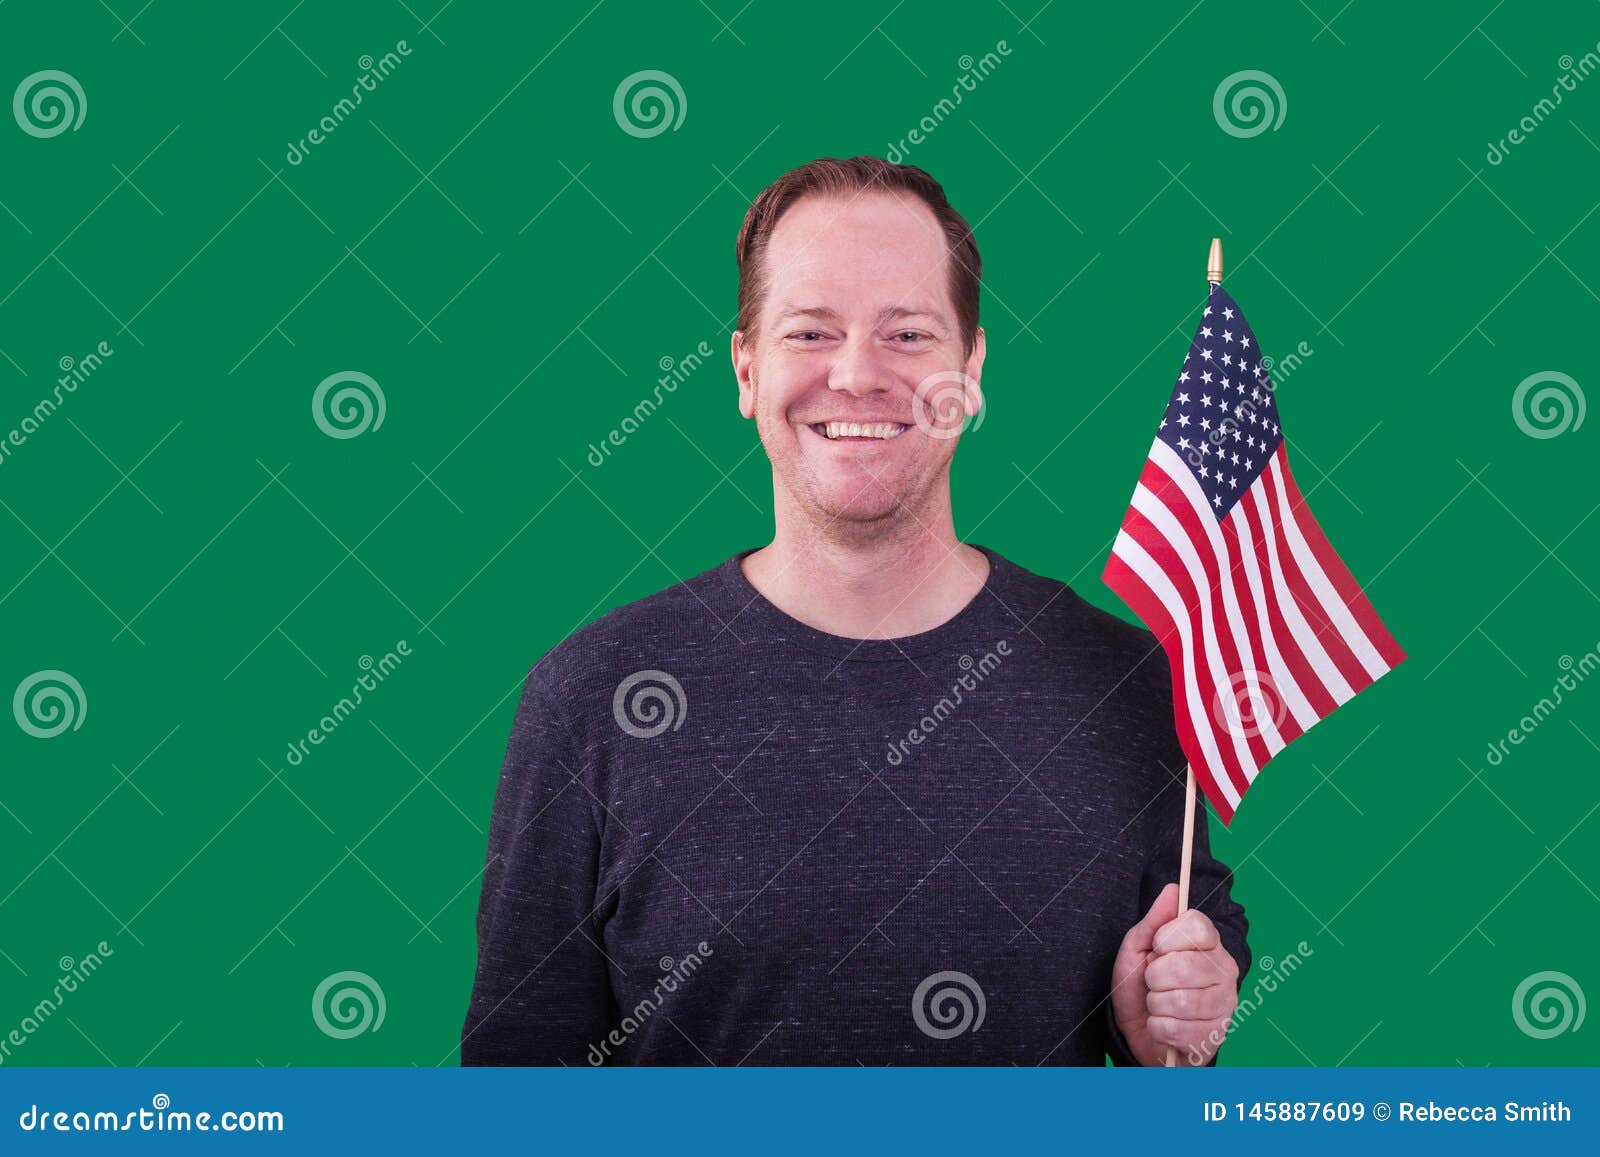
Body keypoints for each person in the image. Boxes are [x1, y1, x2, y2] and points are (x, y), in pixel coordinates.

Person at [461, 155, 1249, 1066]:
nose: (856, 373)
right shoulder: (591, 695)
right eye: (809, 332)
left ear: (972, 367)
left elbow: (1190, 976)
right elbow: (515, 1085)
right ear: (746, 368)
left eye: (908, 334)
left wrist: (1178, 1032)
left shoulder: (1123, 681)